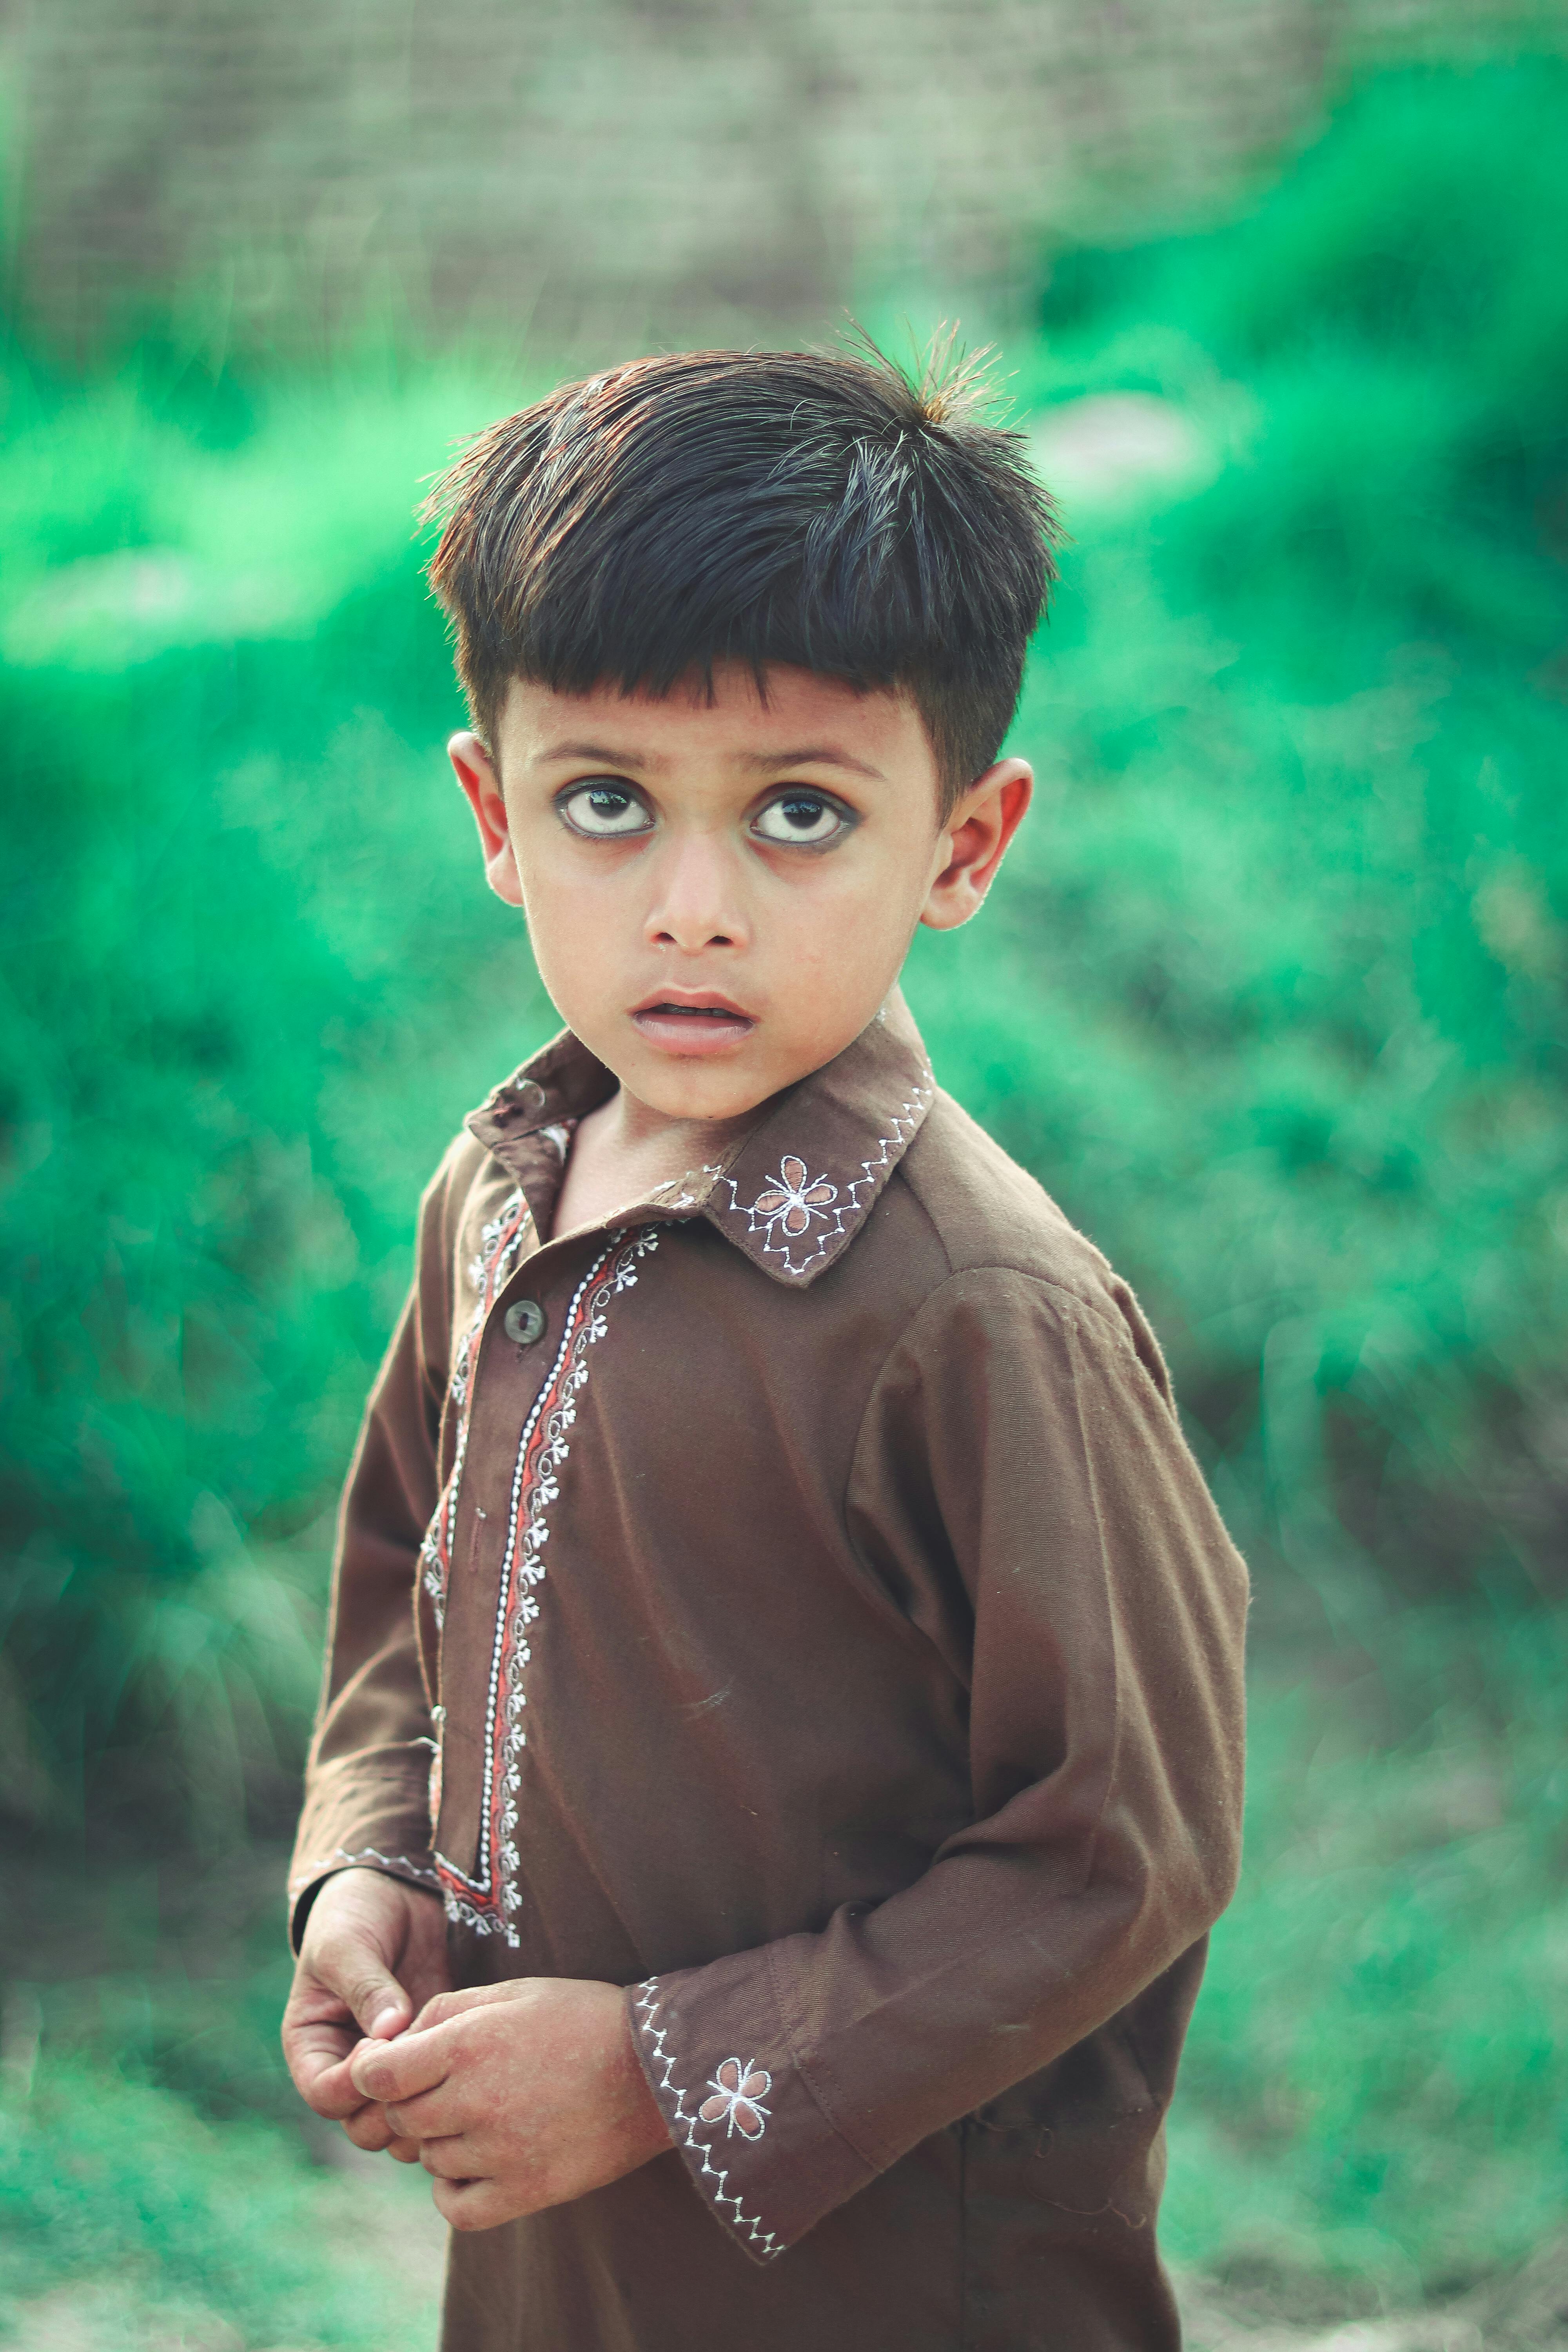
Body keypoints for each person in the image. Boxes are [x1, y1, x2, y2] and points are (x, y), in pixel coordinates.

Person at [280, 341, 1249, 2352]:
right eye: (608, 804)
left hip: (901, 2284)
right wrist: (365, 1872)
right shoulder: (509, 1183)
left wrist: (654, 2069)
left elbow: (1118, 1847)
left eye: (800, 813)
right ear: (493, 809)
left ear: (963, 845)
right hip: (559, 2265)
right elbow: (403, 1579)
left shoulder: (980, 1312)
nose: (691, 909)